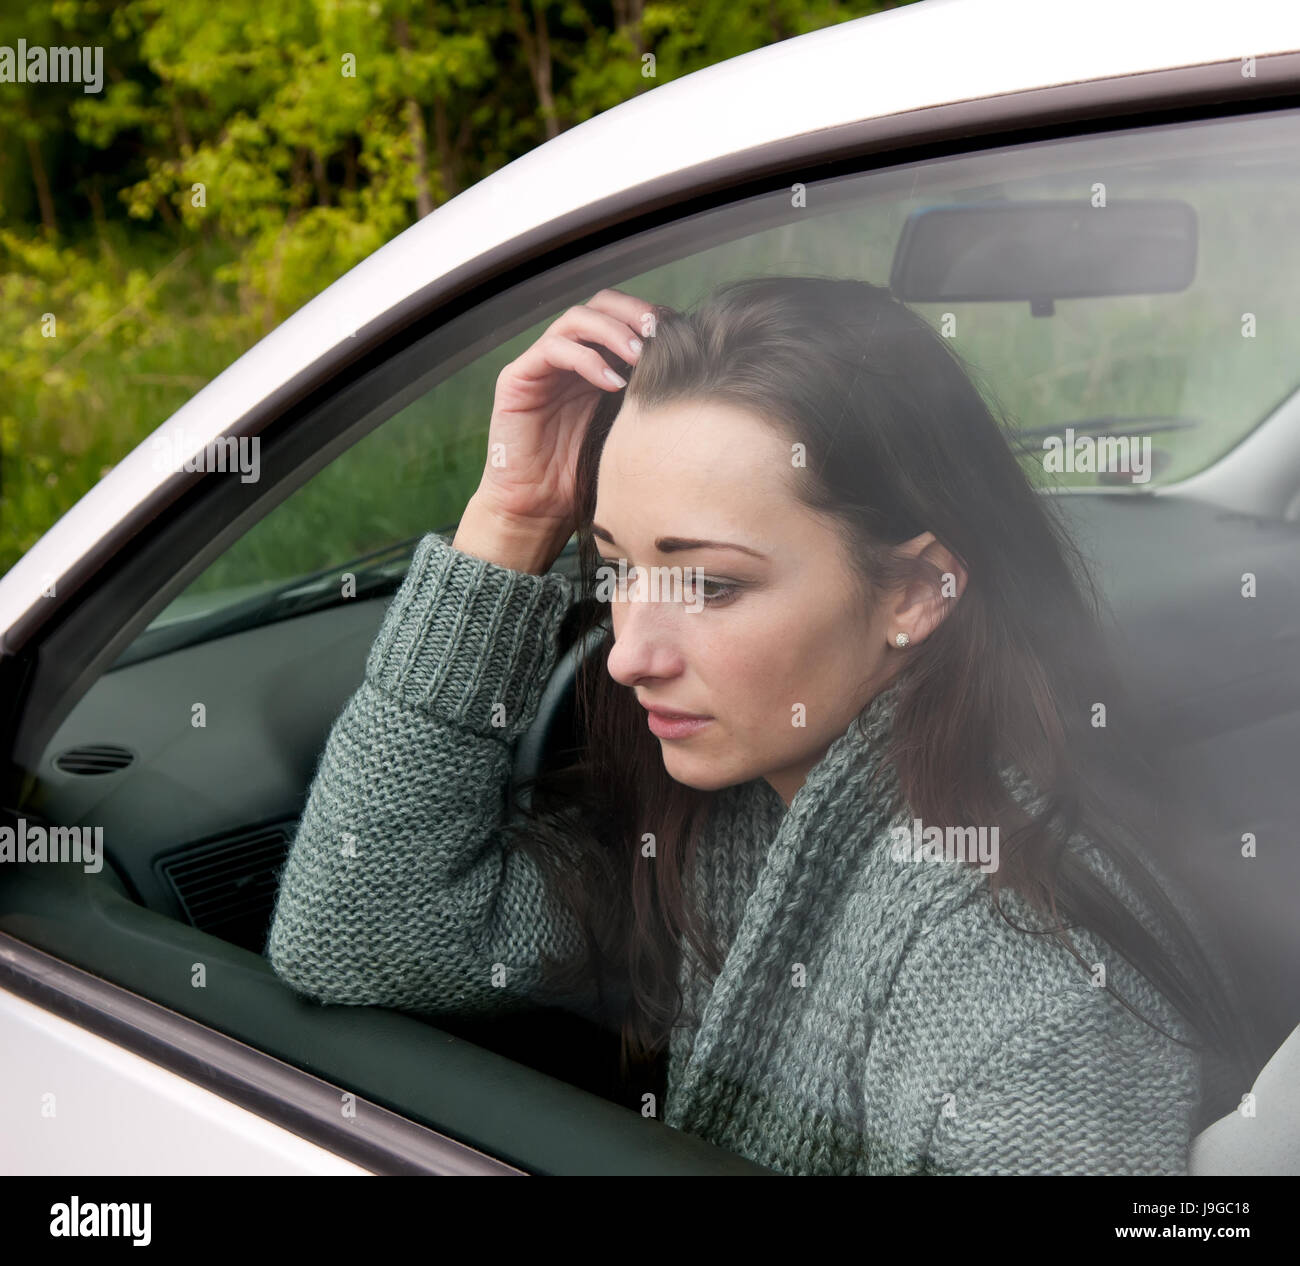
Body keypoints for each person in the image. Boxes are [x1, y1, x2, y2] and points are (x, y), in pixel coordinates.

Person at [267, 275, 1254, 1175]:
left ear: (916, 590)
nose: (626, 653)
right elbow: (355, 934)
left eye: (708, 583)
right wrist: (514, 515)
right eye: (616, 568)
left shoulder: (1029, 1008)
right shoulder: (731, 823)